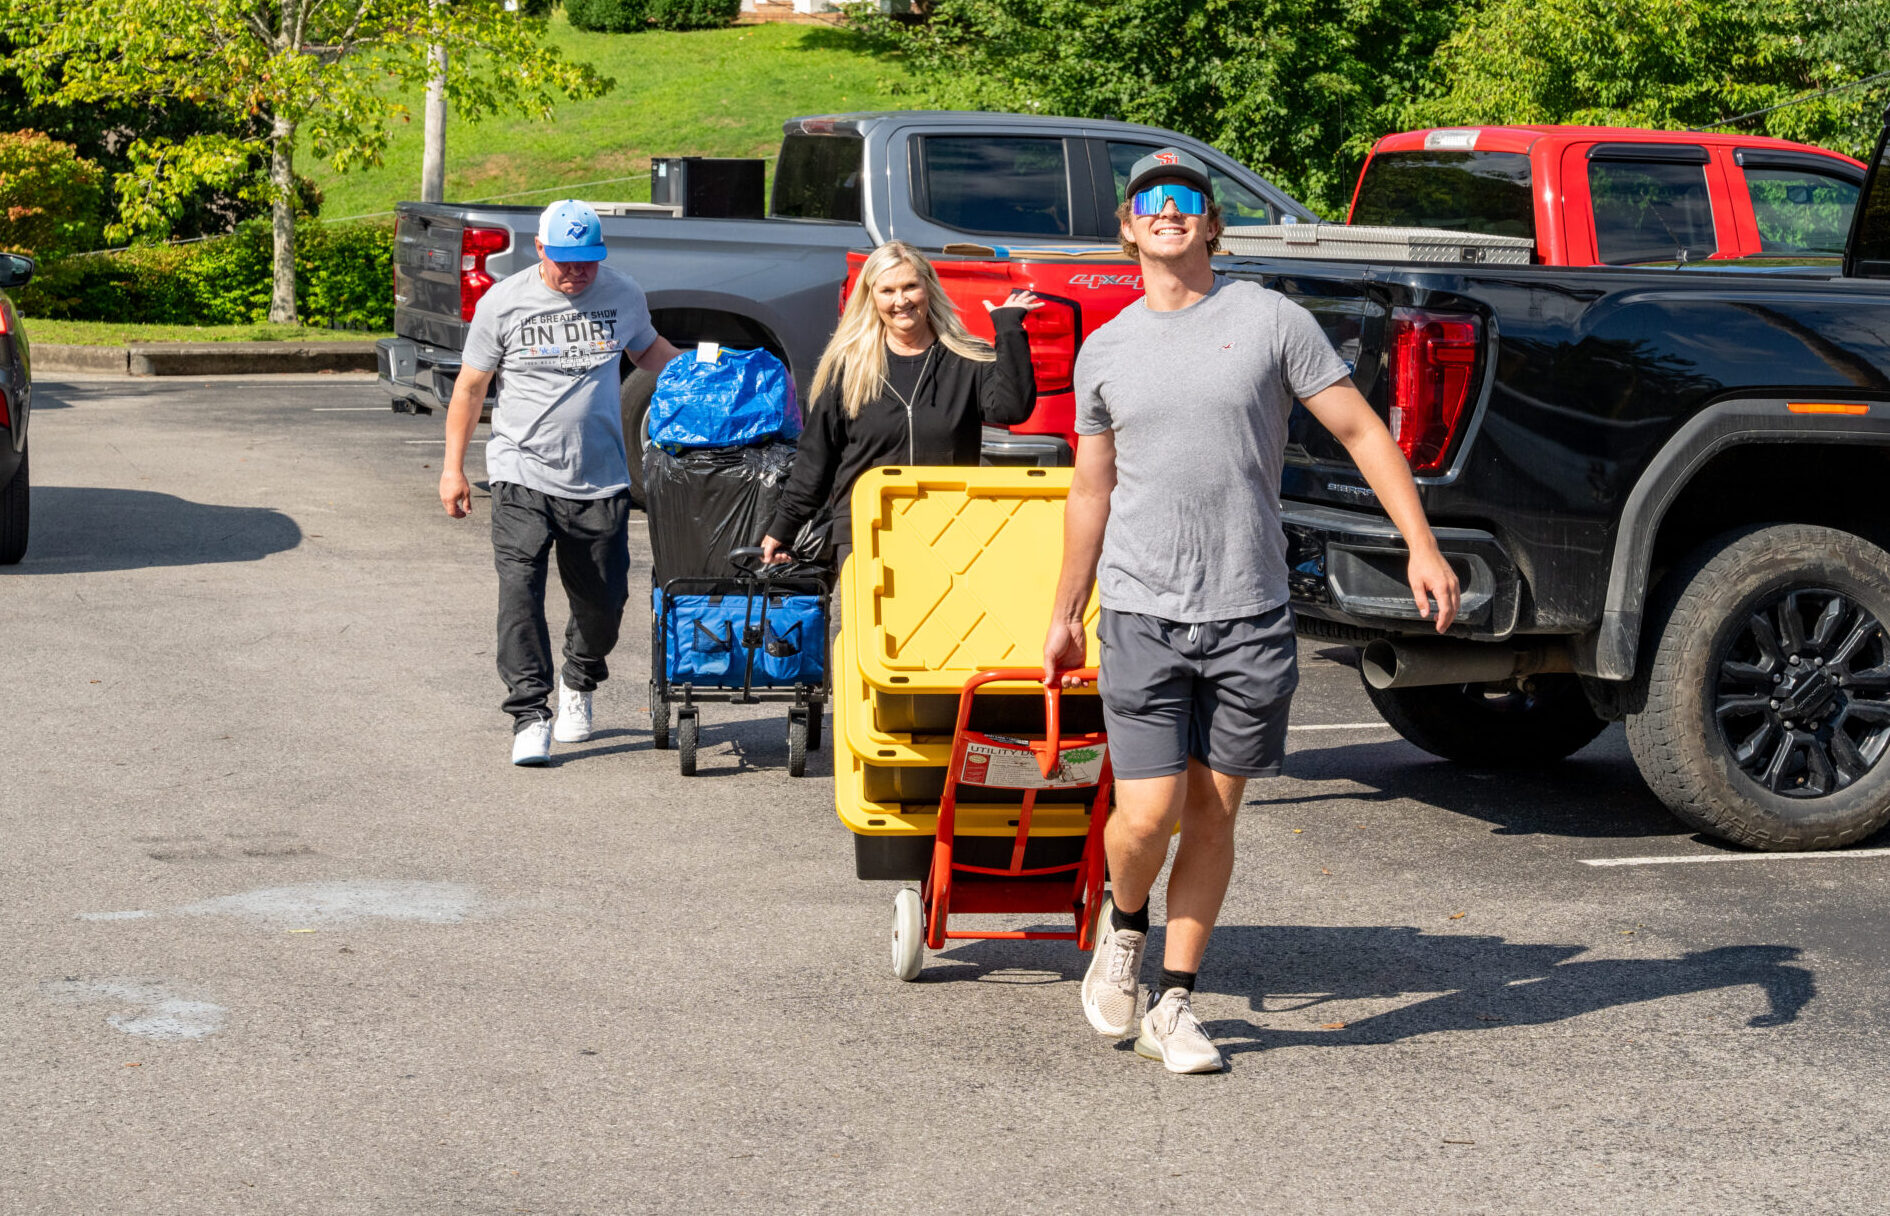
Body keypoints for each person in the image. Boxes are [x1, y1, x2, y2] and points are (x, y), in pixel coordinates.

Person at [1042, 149, 1462, 1073]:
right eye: (1149, 200)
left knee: (1215, 812)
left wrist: (1421, 544)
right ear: (1127, 226)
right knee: (1147, 813)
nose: (1168, 211)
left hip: (1248, 612)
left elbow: (1360, 430)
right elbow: (1090, 490)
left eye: (1187, 198)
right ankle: (1123, 929)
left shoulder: (1270, 320)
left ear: (1212, 222)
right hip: (1145, 611)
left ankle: (1177, 1003)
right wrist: (1066, 608)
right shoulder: (1105, 347)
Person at [439, 199, 684, 766]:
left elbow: (648, 351)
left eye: (587, 263)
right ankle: (529, 713)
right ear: (541, 251)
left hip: (598, 475)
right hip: (520, 470)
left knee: (604, 601)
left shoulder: (621, 293)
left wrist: (708, 368)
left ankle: (579, 678)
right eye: (565, 262)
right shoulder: (504, 302)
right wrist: (453, 468)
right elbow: (471, 388)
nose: (576, 273)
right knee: (519, 590)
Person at [758, 241, 1041, 570]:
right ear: (871, 297)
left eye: (910, 287)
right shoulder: (847, 367)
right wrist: (783, 528)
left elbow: (1012, 408)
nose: (900, 301)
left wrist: (1009, 329)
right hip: (865, 534)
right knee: (853, 624)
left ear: (928, 288)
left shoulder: (966, 359)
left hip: (947, 532)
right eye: (887, 290)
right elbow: (815, 458)